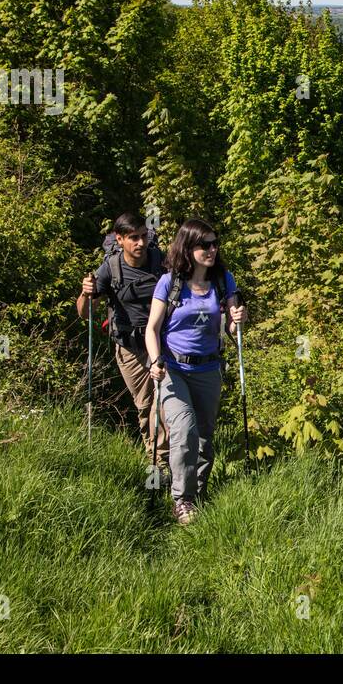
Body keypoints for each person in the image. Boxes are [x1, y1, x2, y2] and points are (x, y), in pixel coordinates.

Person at [145, 218, 246, 525]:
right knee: (184, 429)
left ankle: (199, 493)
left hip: (209, 368)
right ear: (188, 247)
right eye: (205, 245)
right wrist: (155, 360)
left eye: (215, 244)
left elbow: (231, 328)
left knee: (204, 437)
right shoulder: (170, 282)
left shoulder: (223, 280)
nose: (212, 249)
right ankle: (182, 499)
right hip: (173, 368)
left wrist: (238, 319)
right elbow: (152, 328)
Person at [77, 212, 169, 476]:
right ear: (119, 239)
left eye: (144, 236)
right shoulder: (110, 268)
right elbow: (85, 313)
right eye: (133, 238)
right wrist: (85, 293)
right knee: (145, 405)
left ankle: (162, 463)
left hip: (162, 343)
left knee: (163, 402)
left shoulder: (160, 262)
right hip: (129, 348)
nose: (140, 243)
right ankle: (156, 461)